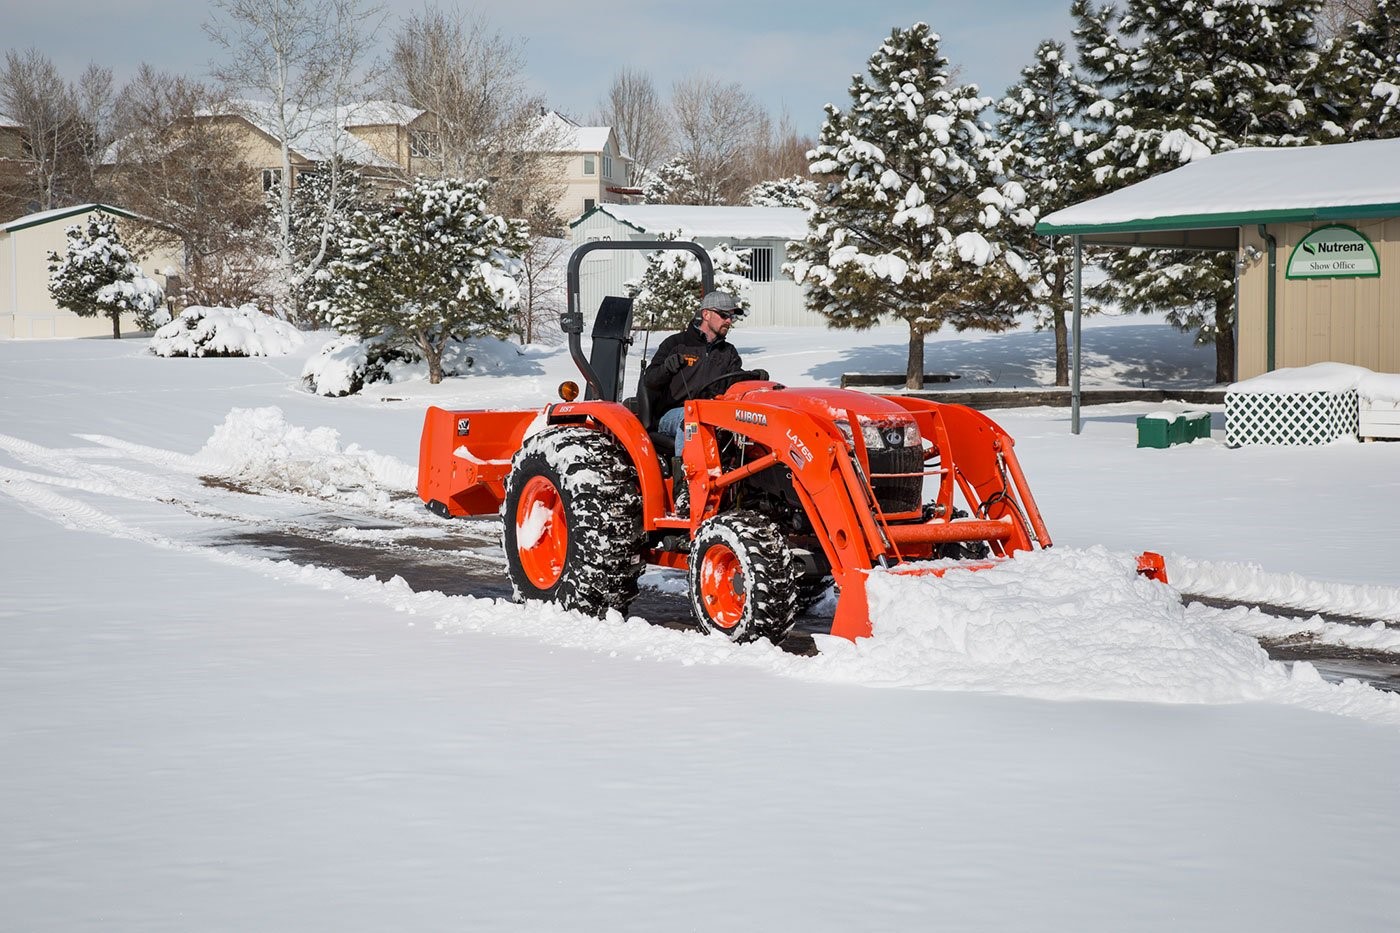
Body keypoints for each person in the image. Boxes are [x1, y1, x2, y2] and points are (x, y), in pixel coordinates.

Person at [642, 289, 747, 460]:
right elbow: (650, 380)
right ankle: (687, 479)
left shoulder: (728, 353)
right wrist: (666, 368)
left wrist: (750, 379)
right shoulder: (676, 344)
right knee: (693, 420)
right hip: (673, 414)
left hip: (712, 413)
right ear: (706, 314)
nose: (729, 321)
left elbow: (734, 384)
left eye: (731, 317)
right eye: (724, 315)